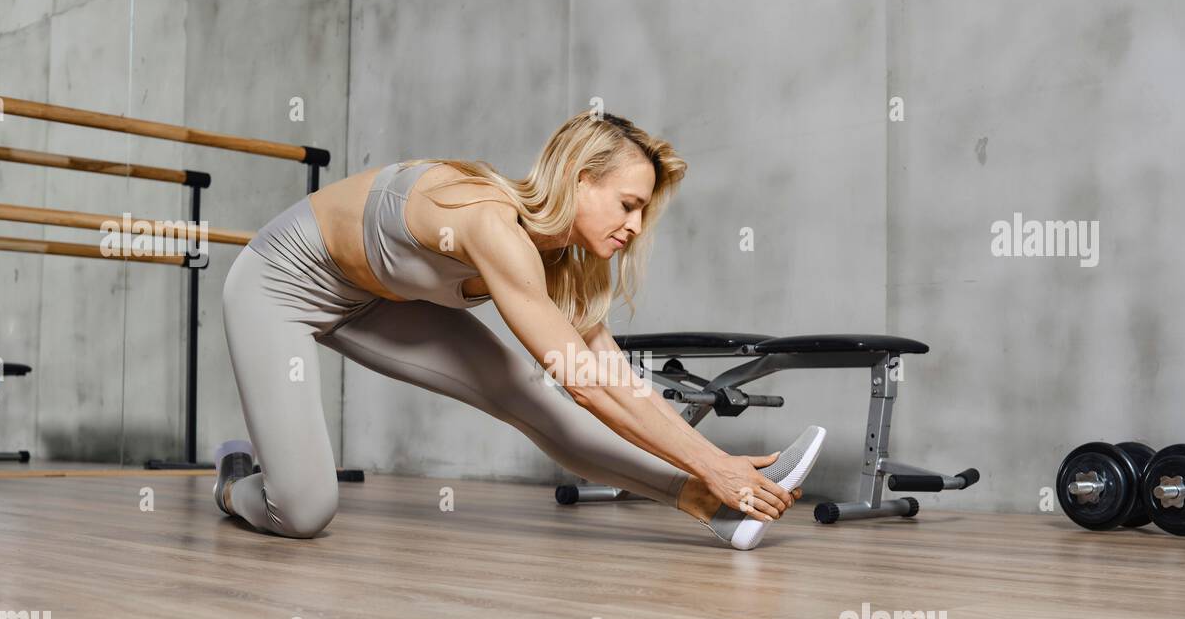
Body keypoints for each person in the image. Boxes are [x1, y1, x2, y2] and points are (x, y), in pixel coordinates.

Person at [215, 110, 824, 550]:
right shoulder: (487, 223)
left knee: (528, 397)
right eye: (629, 204)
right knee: (302, 512)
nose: (636, 226)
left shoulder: (561, 260)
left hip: (379, 298)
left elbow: (612, 377)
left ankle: (705, 505)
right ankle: (234, 483)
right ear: (581, 179)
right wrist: (716, 462)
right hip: (280, 283)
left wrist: (714, 468)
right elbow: (584, 385)